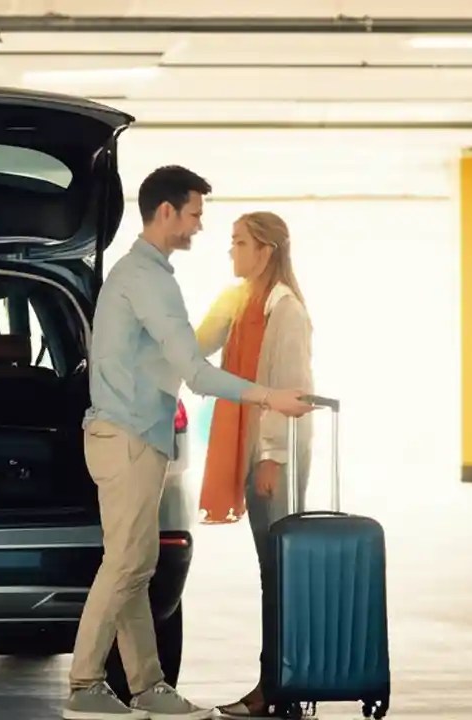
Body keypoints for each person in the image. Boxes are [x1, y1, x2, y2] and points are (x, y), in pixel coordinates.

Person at [63, 166, 315, 720]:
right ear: (167, 212)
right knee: (127, 566)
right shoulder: (148, 280)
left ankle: (147, 686)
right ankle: (84, 684)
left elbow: (174, 358)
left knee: (134, 567)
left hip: (129, 434)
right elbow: (195, 373)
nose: (200, 227)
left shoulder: (139, 275)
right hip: (129, 436)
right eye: (195, 214)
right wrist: (270, 396)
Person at [193, 211, 314, 718]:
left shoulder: (285, 310)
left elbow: (290, 390)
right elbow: (194, 350)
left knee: (278, 573)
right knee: (273, 572)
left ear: (266, 252)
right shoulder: (243, 302)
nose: (231, 251)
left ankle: (278, 689)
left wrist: (272, 459)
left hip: (272, 458)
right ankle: (276, 686)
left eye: (240, 243)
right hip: (253, 449)